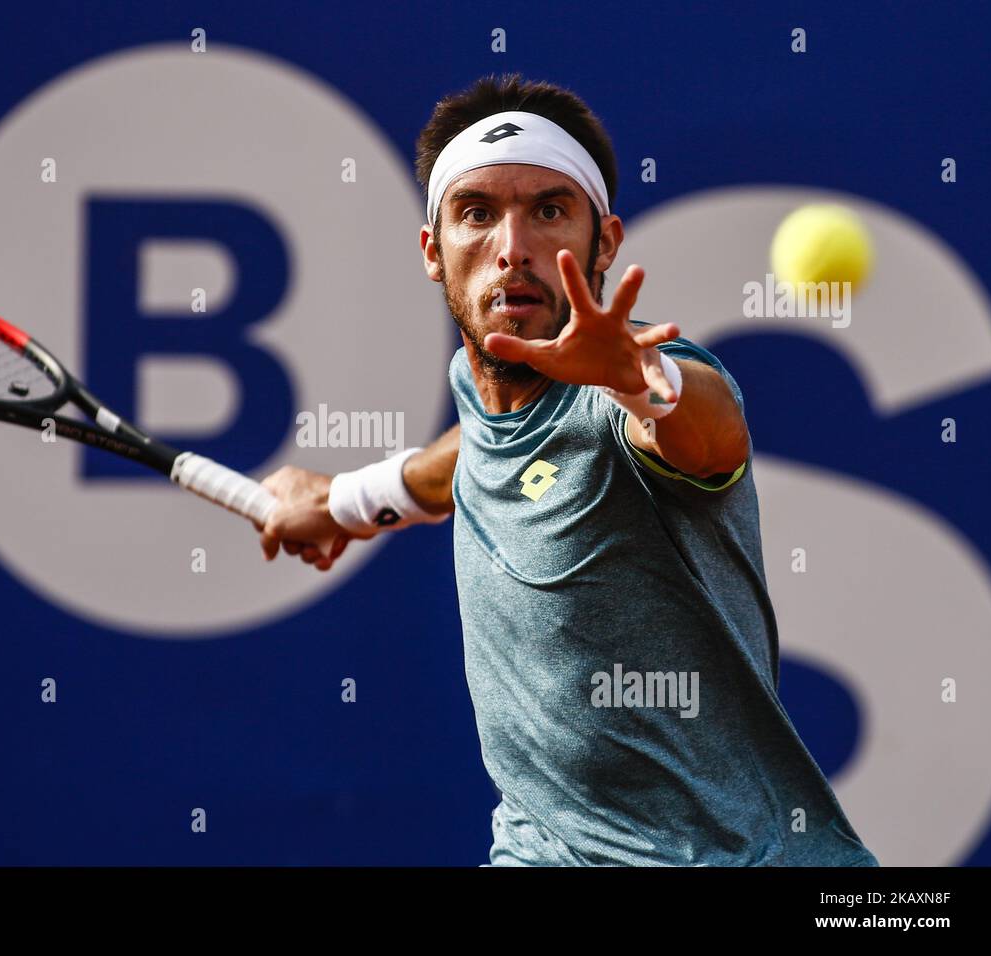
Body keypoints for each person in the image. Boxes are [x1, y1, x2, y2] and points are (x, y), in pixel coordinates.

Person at [254, 73, 878, 866]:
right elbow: (483, 449)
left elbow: (710, 437)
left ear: (605, 242)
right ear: (432, 251)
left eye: (549, 210)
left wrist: (634, 382)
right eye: (476, 213)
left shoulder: (645, 384)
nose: (512, 248)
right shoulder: (483, 393)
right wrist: (348, 500)